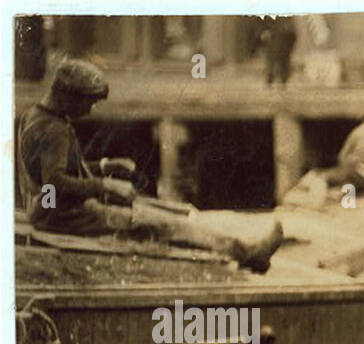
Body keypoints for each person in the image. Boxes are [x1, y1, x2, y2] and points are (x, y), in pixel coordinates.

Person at [17, 59, 283, 271]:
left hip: (50, 211)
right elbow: (54, 183)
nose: (90, 110)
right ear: (68, 96)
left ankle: (239, 246)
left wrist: (106, 166)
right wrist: (106, 186)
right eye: (89, 102)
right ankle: (248, 254)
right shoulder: (55, 129)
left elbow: (52, 172)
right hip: (64, 217)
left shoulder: (36, 115)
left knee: (162, 209)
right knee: (163, 224)